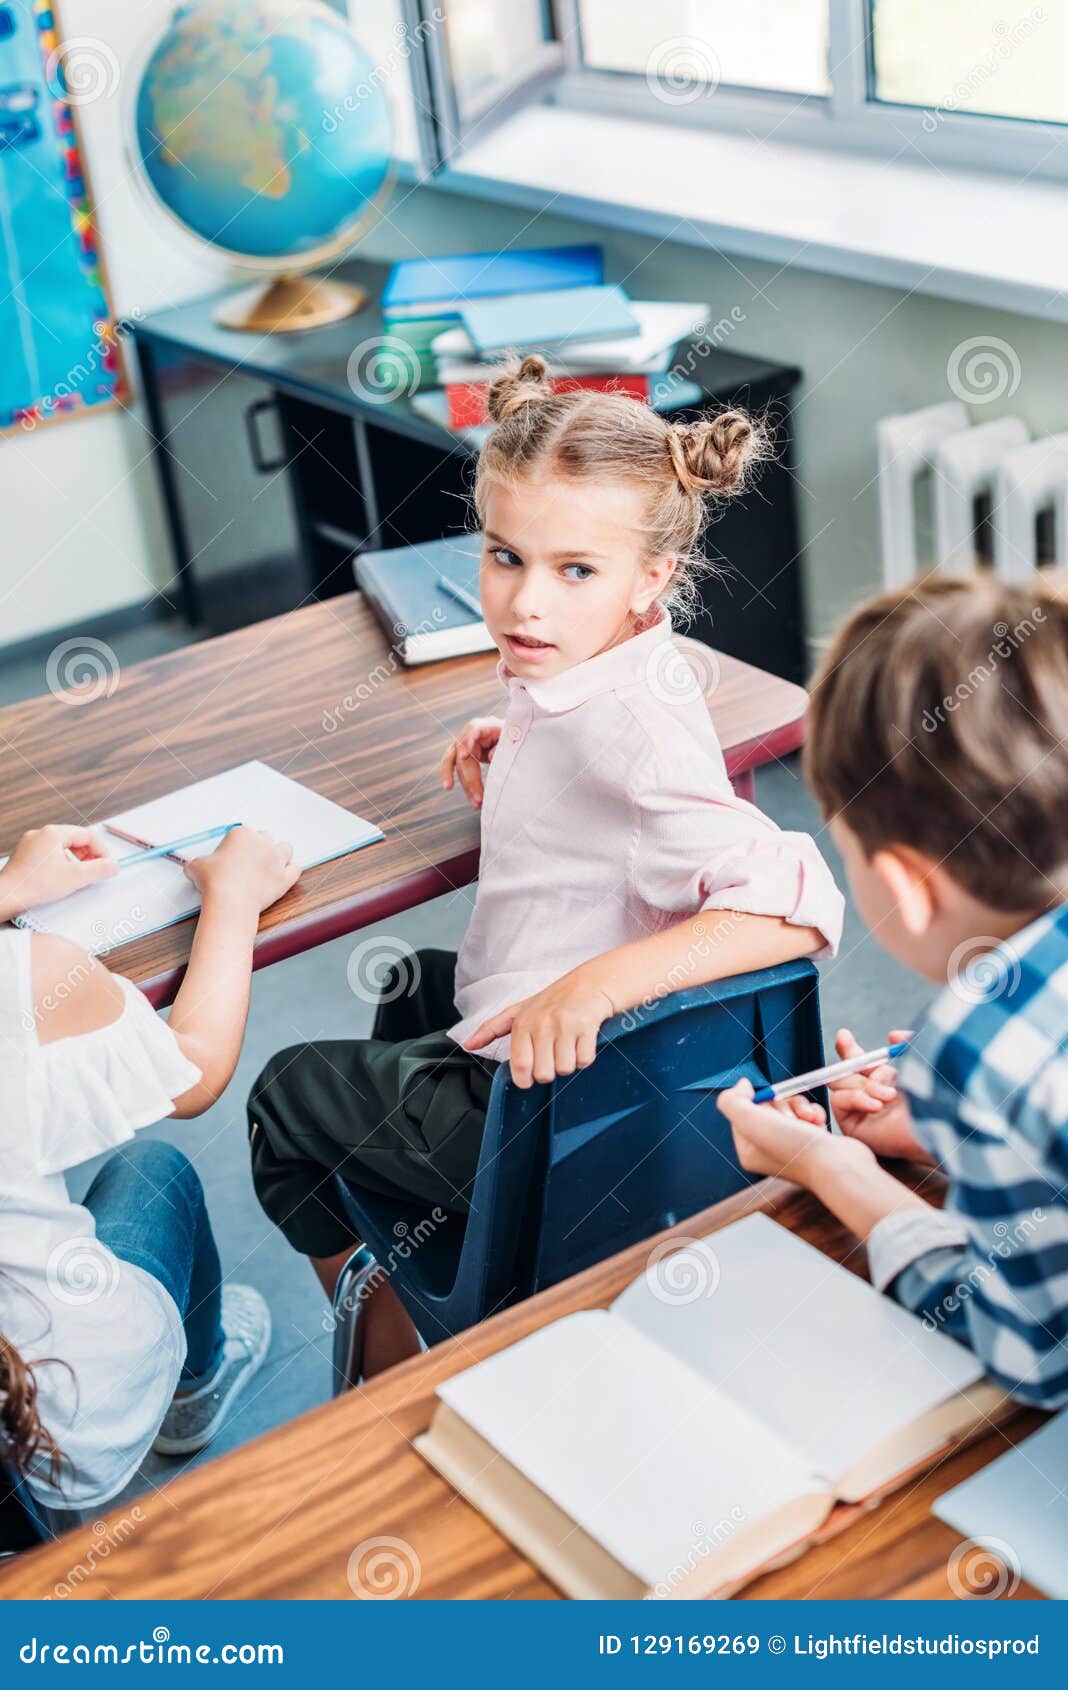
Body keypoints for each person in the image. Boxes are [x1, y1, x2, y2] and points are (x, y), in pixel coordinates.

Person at [248, 354, 844, 1375]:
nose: (526, 604)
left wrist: (593, 985)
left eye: (574, 570)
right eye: (504, 556)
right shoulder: (592, 657)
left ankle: (384, 1370)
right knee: (410, 992)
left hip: (556, 1105)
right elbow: (595, 748)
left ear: (650, 574)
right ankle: (433, 1276)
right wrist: (510, 740)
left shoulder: (635, 738)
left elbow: (799, 904)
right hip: (553, 1054)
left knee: (285, 1097)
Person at [719, 575, 1068, 1408]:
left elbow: (1031, 1358)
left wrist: (834, 1169)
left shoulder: (980, 1048)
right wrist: (963, 1141)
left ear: (905, 887)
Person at [1, 820, 299, 1513]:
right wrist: (234, 896)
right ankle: (194, 1389)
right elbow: (192, 1072)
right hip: (63, 1415)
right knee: (153, 1170)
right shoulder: (34, 973)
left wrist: (12, 888)